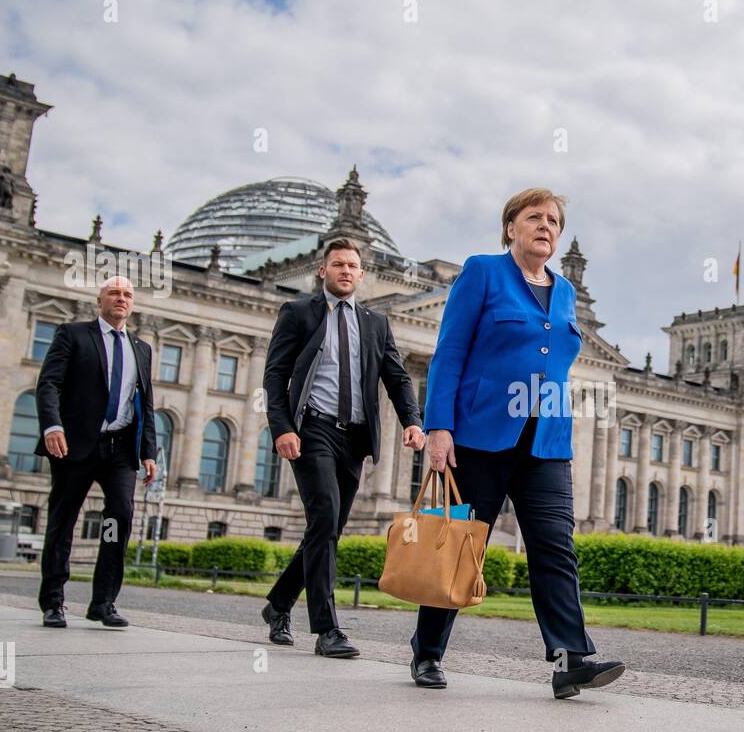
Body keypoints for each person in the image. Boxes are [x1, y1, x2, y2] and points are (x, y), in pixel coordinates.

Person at [419, 188, 625, 699]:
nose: (546, 226)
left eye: (554, 220)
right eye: (535, 217)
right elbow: (449, 351)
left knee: (555, 546)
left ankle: (570, 658)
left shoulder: (564, 292)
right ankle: (428, 652)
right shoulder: (483, 272)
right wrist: (439, 427)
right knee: (462, 547)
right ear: (511, 226)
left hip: (547, 440)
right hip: (482, 435)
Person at [262, 238, 425, 657]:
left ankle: (279, 604)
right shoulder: (298, 313)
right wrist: (282, 427)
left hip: (354, 437)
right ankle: (327, 629)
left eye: (352, 265)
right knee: (325, 518)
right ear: (324, 271)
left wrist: (412, 420)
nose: (346, 271)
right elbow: (275, 375)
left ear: (362, 274)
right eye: (338, 264)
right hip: (312, 429)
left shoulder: (375, 323)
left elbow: (397, 377)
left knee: (327, 528)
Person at [34, 276, 157, 628]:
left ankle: (103, 602)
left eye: (127, 294)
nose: (121, 299)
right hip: (75, 444)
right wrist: (52, 426)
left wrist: (148, 451)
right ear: (100, 299)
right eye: (114, 293)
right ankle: (54, 601)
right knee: (63, 521)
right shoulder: (73, 334)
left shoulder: (141, 348)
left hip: (119, 448)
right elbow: (49, 383)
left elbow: (145, 404)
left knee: (119, 517)